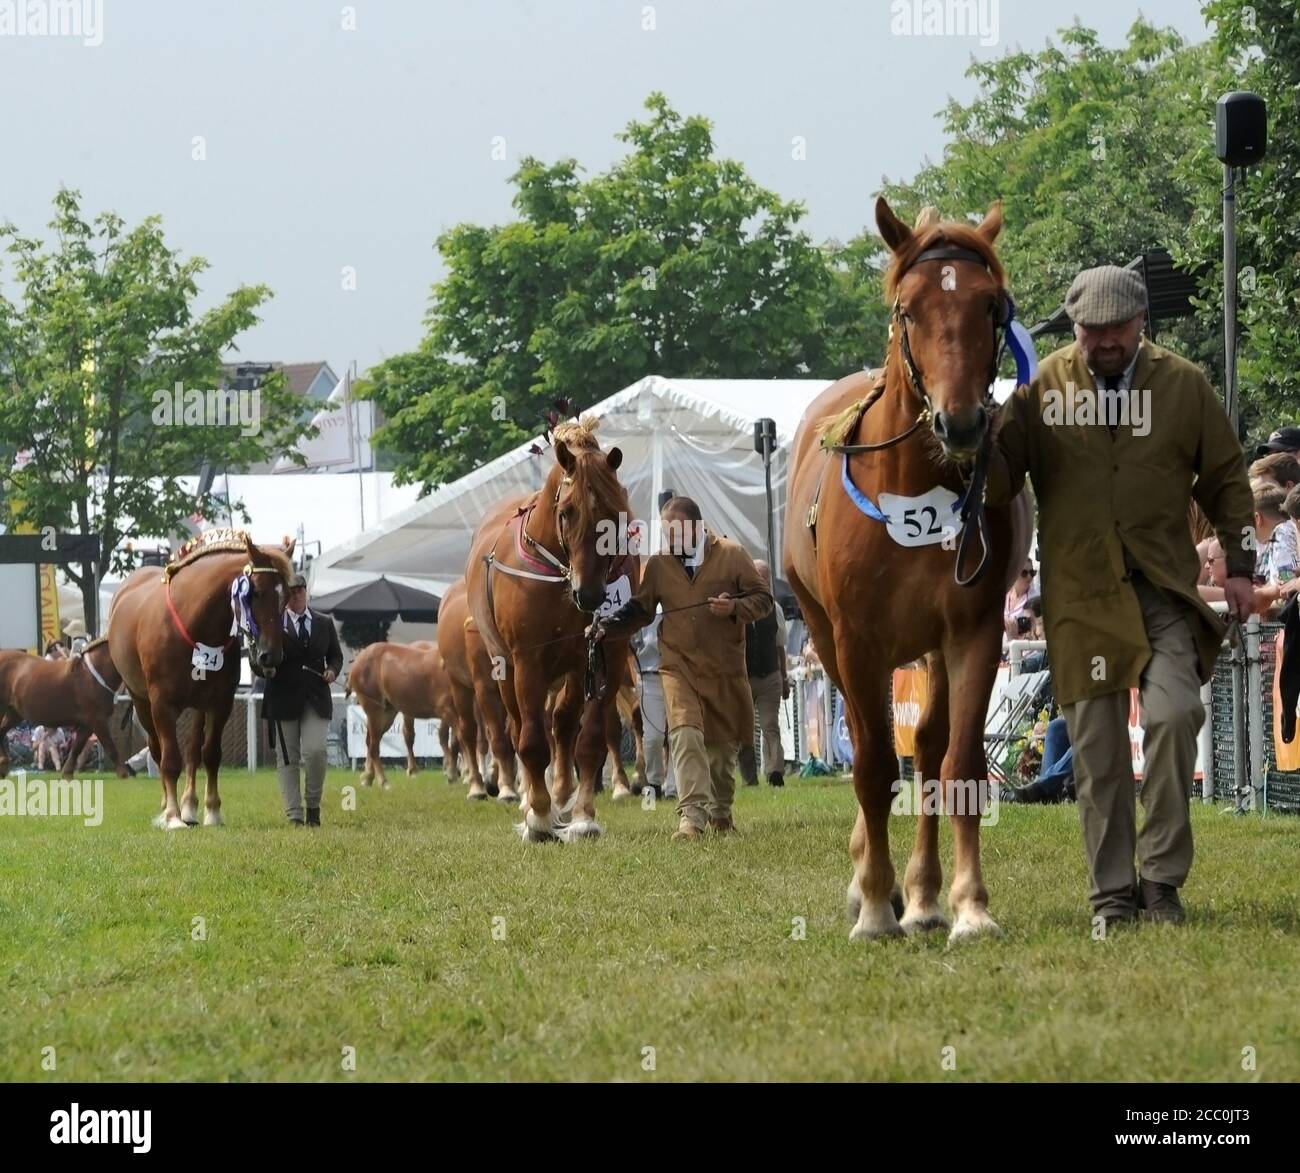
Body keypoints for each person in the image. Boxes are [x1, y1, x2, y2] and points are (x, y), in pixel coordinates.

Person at [987, 263, 1255, 928]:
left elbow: (1226, 478)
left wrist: (1242, 564)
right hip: (1080, 597)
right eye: (1090, 330)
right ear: (1074, 327)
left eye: (1117, 329)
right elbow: (996, 483)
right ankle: (1112, 897)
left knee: (1172, 715)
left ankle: (1160, 880)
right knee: (1100, 753)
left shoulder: (1184, 386)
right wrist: (972, 437)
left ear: (1142, 323)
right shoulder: (1041, 386)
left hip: (1162, 588)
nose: (1103, 342)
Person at [590, 496, 771, 840]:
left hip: (724, 668)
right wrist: (607, 626)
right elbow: (641, 610)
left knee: (720, 751)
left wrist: (734, 607)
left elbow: (763, 599)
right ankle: (691, 818)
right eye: (666, 531)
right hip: (677, 666)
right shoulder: (658, 565)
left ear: (697, 528)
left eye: (676, 531)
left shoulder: (732, 555)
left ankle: (721, 812)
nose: (670, 538)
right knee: (685, 734)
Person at [262, 572, 343, 826]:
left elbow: (336, 656)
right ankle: (295, 814)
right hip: (283, 696)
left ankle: (313, 807)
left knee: (316, 750)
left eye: (299, 590)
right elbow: (260, 656)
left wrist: (332, 670)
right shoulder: (273, 624)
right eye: (290, 592)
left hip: (315, 697)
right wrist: (266, 668)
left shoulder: (324, 622)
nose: (295, 595)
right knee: (288, 758)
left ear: (306, 591)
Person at [738, 560, 789, 787]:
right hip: (744, 678)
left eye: (765, 578)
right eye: (758, 577)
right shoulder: (738, 607)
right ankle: (749, 777)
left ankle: (774, 771)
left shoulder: (775, 609)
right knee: (744, 730)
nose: (762, 582)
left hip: (769, 675)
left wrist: (784, 677)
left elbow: (780, 646)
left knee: (770, 724)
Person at [632, 607, 677, 799]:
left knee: (678, 733)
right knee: (653, 737)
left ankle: (674, 790)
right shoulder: (644, 606)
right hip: (648, 678)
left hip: (677, 675)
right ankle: (653, 782)